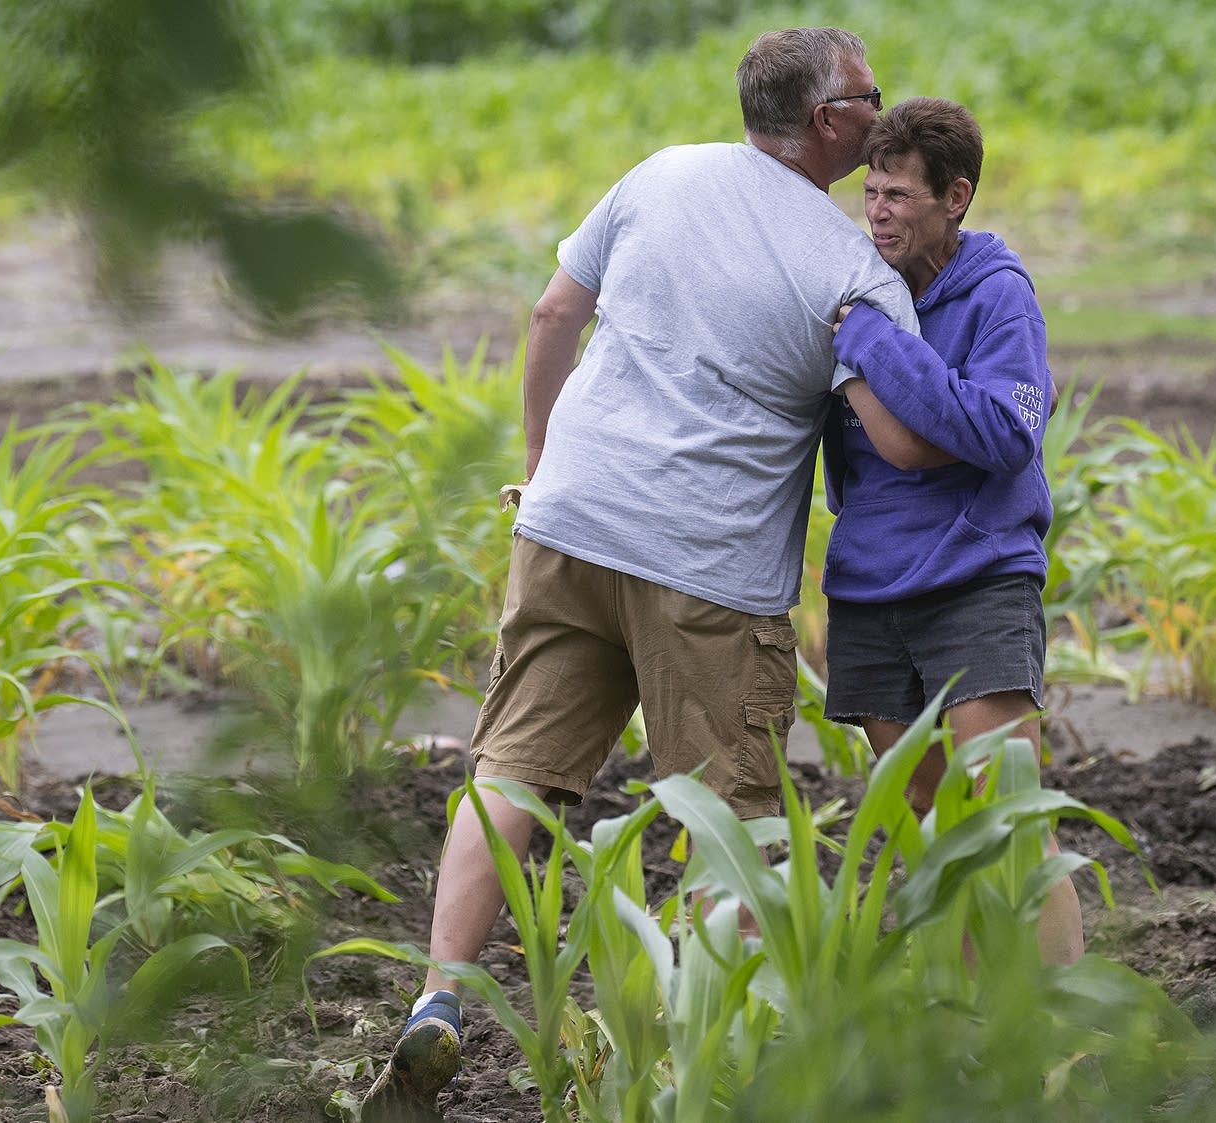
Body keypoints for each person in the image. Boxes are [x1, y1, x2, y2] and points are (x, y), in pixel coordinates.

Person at [361, 27, 917, 1119]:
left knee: (509, 768)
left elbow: (550, 314)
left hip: (569, 521)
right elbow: (896, 437)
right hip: (705, 569)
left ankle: (437, 998)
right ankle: (714, 1061)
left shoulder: (660, 172)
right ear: (825, 122)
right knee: (725, 812)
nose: (878, 111)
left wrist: (540, 468)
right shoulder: (847, 268)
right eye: (868, 96)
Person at [822, 97, 1088, 964]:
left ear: (956, 197)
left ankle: (1059, 1043)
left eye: (900, 194)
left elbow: (1007, 435)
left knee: (1009, 819)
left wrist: (870, 344)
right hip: (867, 587)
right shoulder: (849, 281)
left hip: (978, 576)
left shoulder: (996, 294)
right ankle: (984, 1028)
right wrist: (936, 420)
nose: (879, 211)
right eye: (872, 192)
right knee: (935, 827)